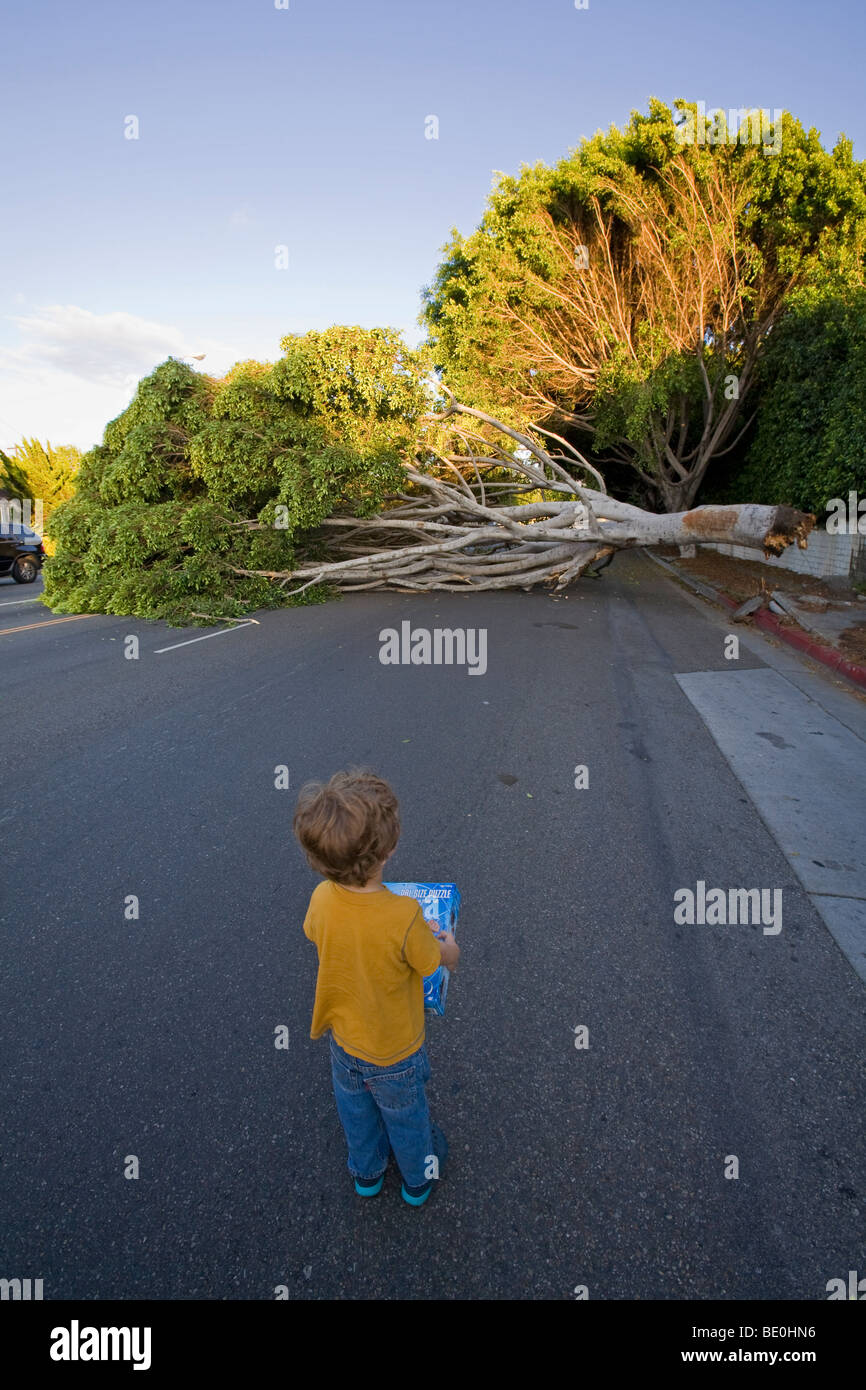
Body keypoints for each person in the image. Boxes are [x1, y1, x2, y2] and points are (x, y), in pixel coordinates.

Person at [293, 768, 460, 1206]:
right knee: (407, 1117)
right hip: (394, 1050)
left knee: (356, 1112)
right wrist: (450, 949)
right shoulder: (403, 916)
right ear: (389, 848)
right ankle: (417, 1181)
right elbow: (432, 961)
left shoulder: (321, 898)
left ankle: (366, 1174)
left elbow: (314, 932)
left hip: (345, 1042)